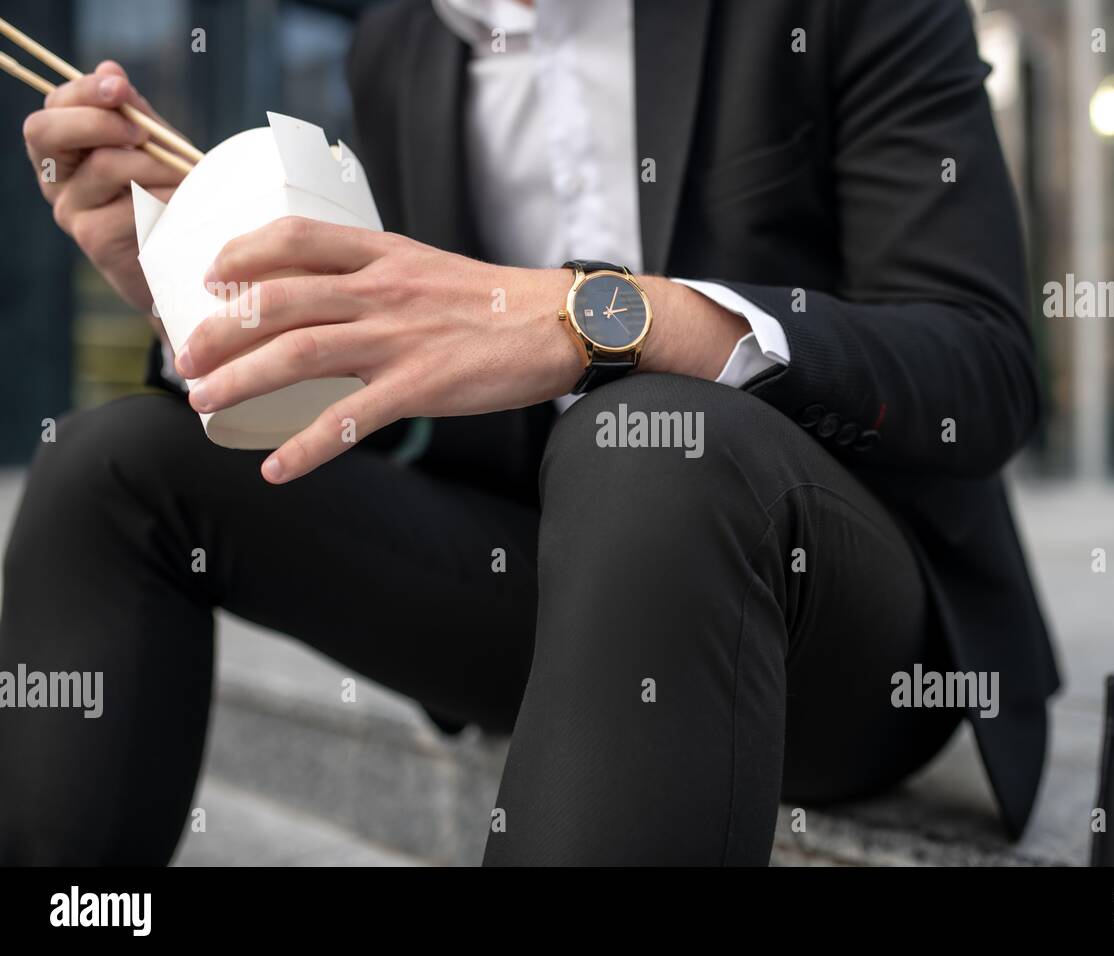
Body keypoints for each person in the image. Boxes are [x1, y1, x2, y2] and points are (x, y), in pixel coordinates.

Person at [0, 0, 1059, 865]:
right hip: (552, 588)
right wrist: (186, 297)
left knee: (648, 437)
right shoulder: (401, 42)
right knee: (113, 462)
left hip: (828, 620)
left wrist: (593, 318)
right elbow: (406, 393)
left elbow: (980, 364)